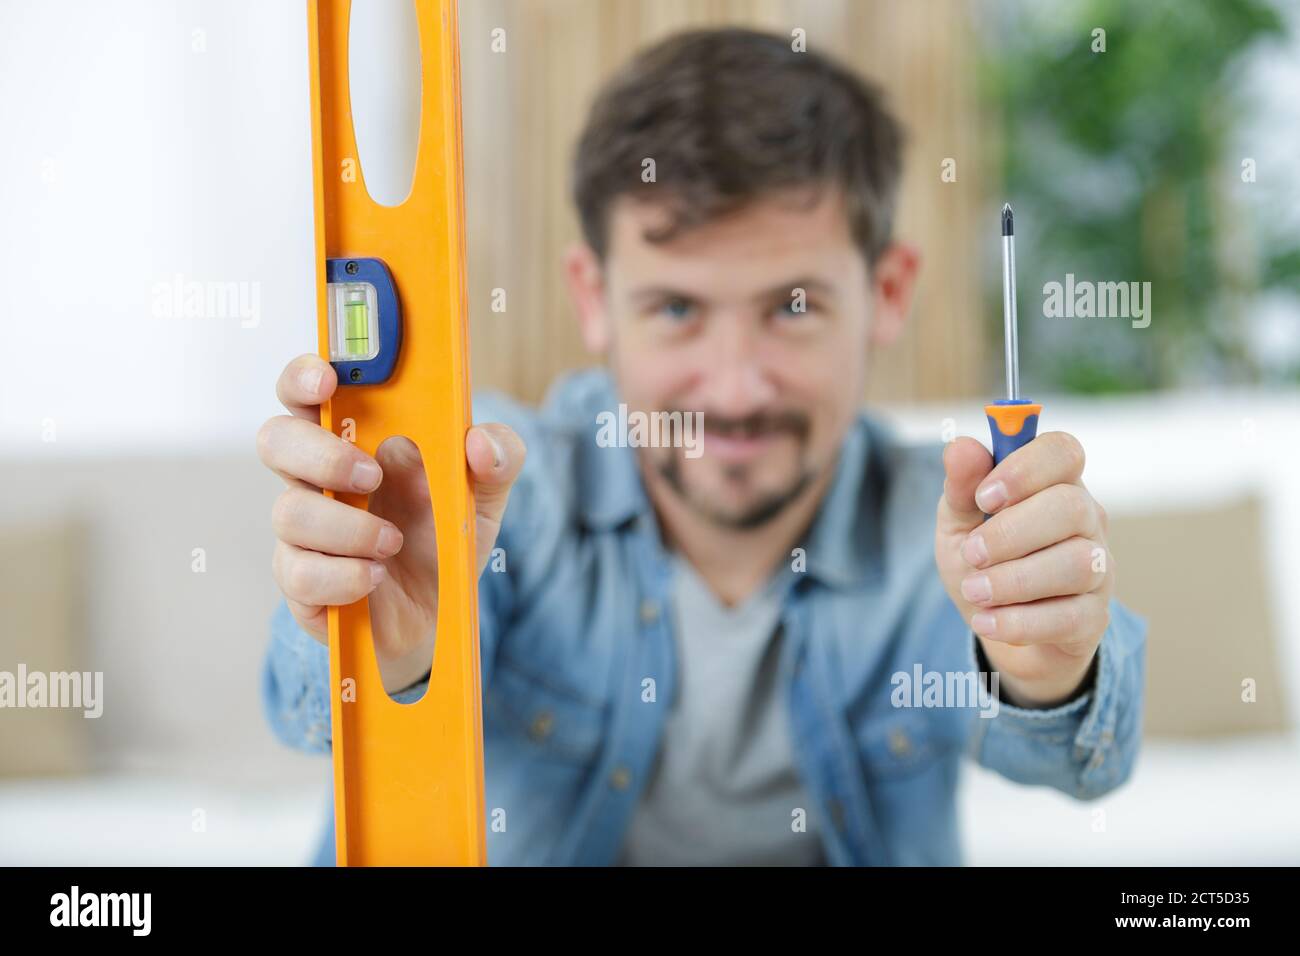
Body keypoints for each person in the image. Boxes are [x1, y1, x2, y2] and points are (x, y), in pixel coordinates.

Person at [258, 27, 1145, 866]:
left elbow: (1083, 762)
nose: (733, 388)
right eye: (676, 309)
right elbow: (309, 720)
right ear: (594, 295)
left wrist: (1050, 666)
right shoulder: (479, 484)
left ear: (887, 289)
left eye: (792, 307)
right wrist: (384, 644)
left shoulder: (943, 527)